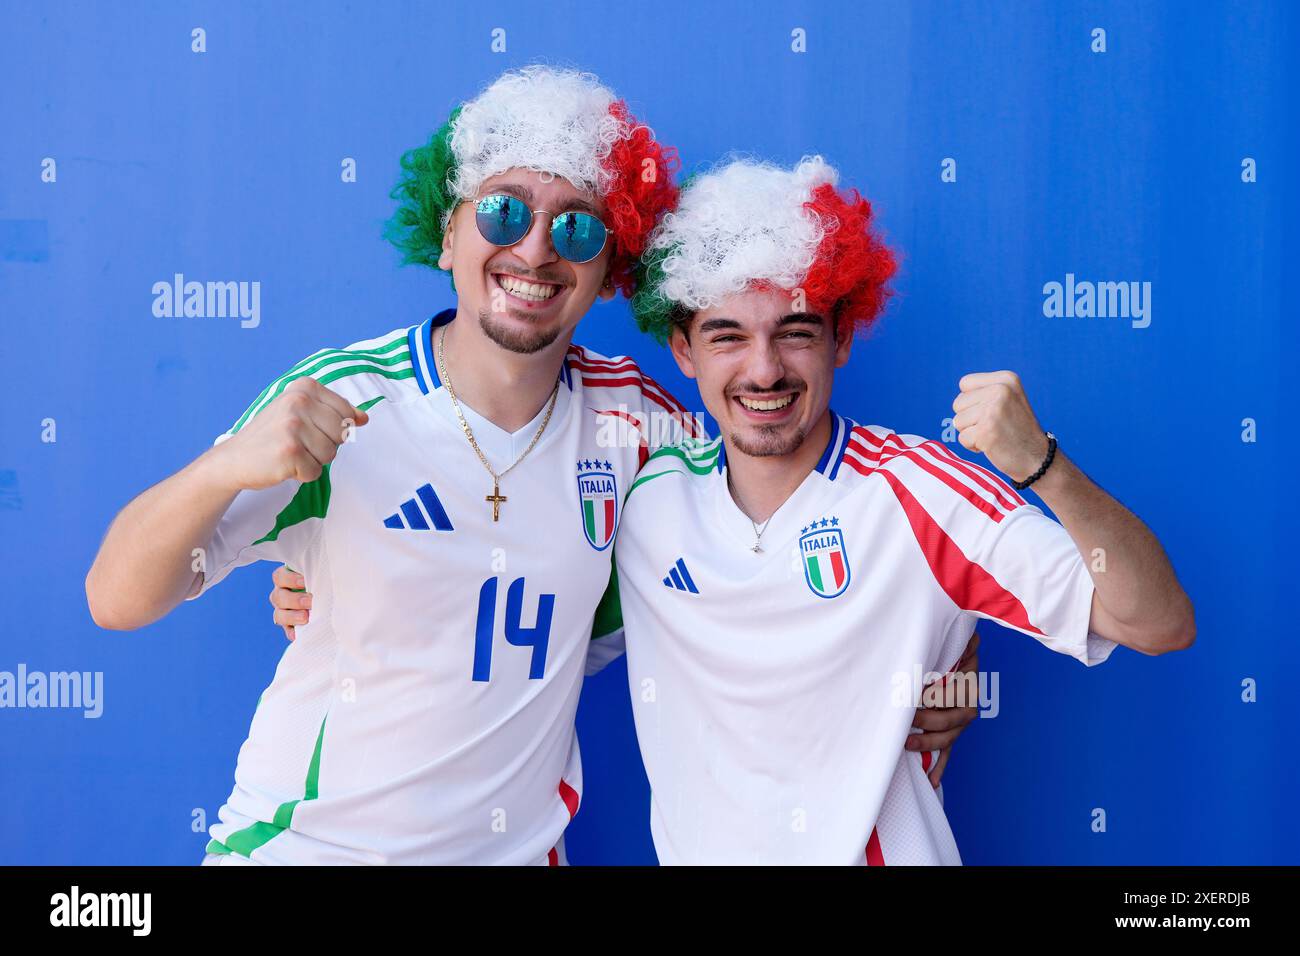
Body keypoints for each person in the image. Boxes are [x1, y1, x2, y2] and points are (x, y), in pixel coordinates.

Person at [85, 65, 696, 865]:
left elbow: (742, 577)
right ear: (448, 233)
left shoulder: (642, 427)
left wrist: (914, 689)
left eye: (578, 228)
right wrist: (225, 468)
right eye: (504, 211)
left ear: (607, 265)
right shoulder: (343, 399)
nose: (537, 249)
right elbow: (115, 599)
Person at [596, 156, 1194, 864]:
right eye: (728, 335)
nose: (763, 370)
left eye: (796, 330)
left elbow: (1158, 623)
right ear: (683, 350)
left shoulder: (922, 491)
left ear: (842, 340)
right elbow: (538, 644)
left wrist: (1045, 469)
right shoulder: (644, 496)